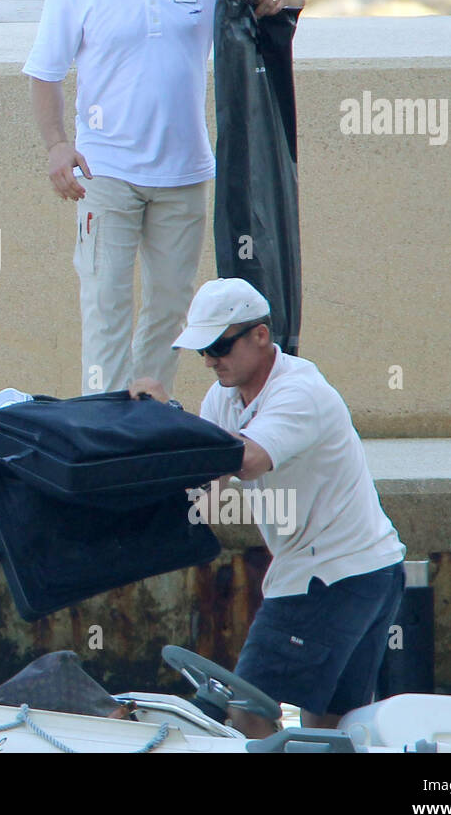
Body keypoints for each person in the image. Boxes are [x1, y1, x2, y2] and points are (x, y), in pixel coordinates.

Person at [24, 0, 305, 397]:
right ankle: (104, 427)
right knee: (106, 305)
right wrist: (57, 145)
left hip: (183, 172)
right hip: (104, 170)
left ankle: (150, 423)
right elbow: (44, 72)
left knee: (172, 310)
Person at [130, 278, 406, 738]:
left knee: (247, 710)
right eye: (202, 351)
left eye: (219, 346)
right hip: (368, 570)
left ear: (261, 336)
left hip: (328, 577)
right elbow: (211, 489)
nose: (210, 361)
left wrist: (173, 418)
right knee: (330, 725)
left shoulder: (299, 392)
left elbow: (250, 459)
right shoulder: (224, 396)